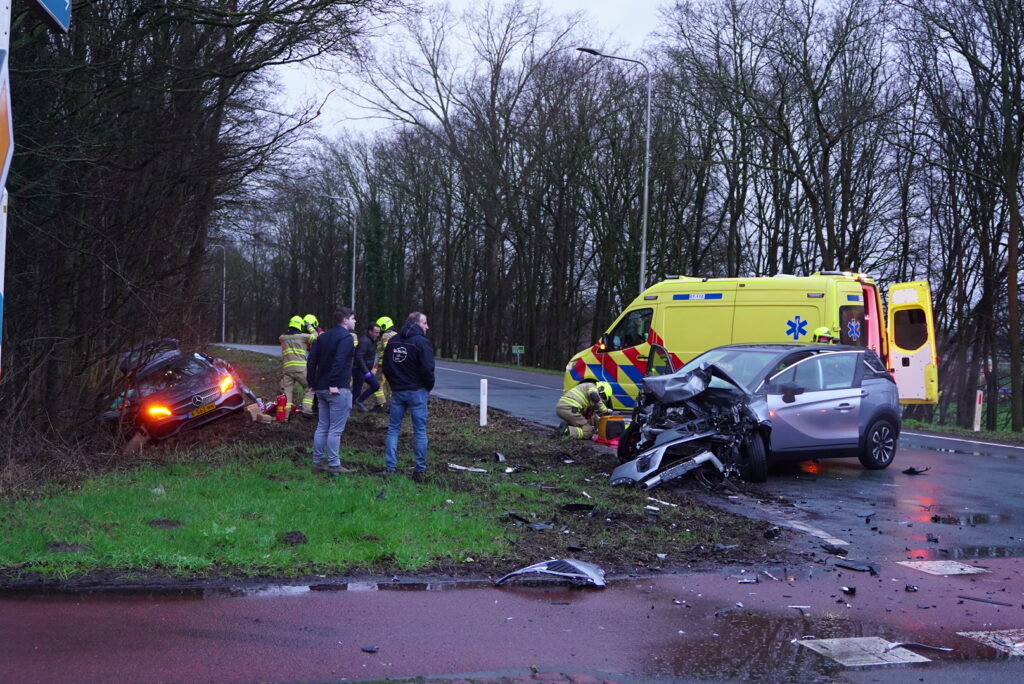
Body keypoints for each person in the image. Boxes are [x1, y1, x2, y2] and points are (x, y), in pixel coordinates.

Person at [382, 312, 434, 481]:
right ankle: (419, 469)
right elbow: (428, 369)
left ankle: (390, 467)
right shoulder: (421, 342)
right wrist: (428, 387)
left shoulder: (392, 341)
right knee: (419, 431)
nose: (427, 326)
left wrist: (394, 384)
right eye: (425, 323)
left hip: (398, 392)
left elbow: (386, 367)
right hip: (417, 391)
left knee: (393, 429)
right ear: (417, 324)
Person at [306, 307, 358, 474]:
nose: (355, 321)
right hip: (337, 388)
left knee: (322, 426)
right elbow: (340, 361)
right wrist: (333, 383)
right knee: (335, 429)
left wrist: (312, 382)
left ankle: (317, 462)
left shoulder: (322, 337)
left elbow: (311, 361)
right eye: (353, 318)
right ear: (345, 320)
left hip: (320, 387)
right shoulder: (346, 338)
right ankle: (334, 465)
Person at [278, 315, 315, 418]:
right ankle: (306, 411)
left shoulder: (282, 338)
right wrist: (310, 327)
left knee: (287, 392)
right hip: (301, 370)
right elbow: (316, 336)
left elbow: (287, 335)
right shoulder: (303, 337)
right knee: (310, 387)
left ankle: (285, 415)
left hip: (287, 370)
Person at [352, 322, 382, 412]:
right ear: (370, 331)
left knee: (375, 385)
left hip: (366, 371)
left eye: (379, 332)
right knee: (356, 391)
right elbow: (358, 356)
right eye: (376, 332)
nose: (378, 334)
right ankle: (347, 410)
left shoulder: (371, 341)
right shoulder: (364, 341)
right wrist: (366, 371)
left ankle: (359, 401)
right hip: (359, 370)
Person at [371, 316, 398, 412]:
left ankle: (380, 404)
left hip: (384, 365)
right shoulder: (397, 335)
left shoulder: (386, 336)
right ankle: (393, 406)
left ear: (383, 325)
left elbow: (387, 349)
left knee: (377, 384)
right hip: (394, 365)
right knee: (391, 386)